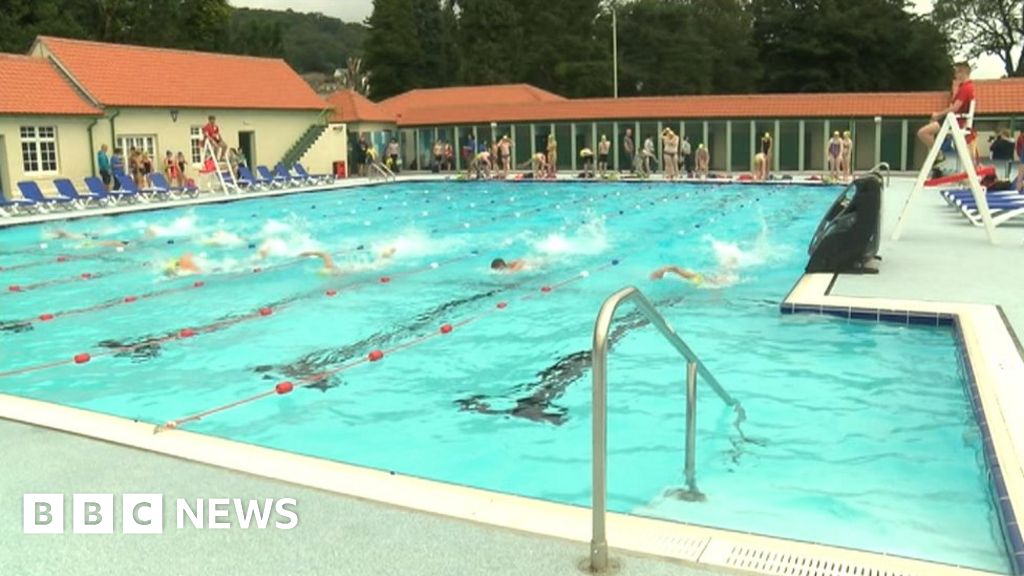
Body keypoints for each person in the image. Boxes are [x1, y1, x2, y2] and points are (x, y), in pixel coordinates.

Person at [917, 62, 975, 160]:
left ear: (963, 72)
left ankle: (938, 154)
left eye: (956, 72)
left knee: (922, 133)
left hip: (953, 121)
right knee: (929, 128)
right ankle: (937, 155)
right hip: (953, 119)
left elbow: (955, 108)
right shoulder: (965, 87)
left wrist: (938, 115)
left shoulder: (966, 88)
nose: (955, 75)